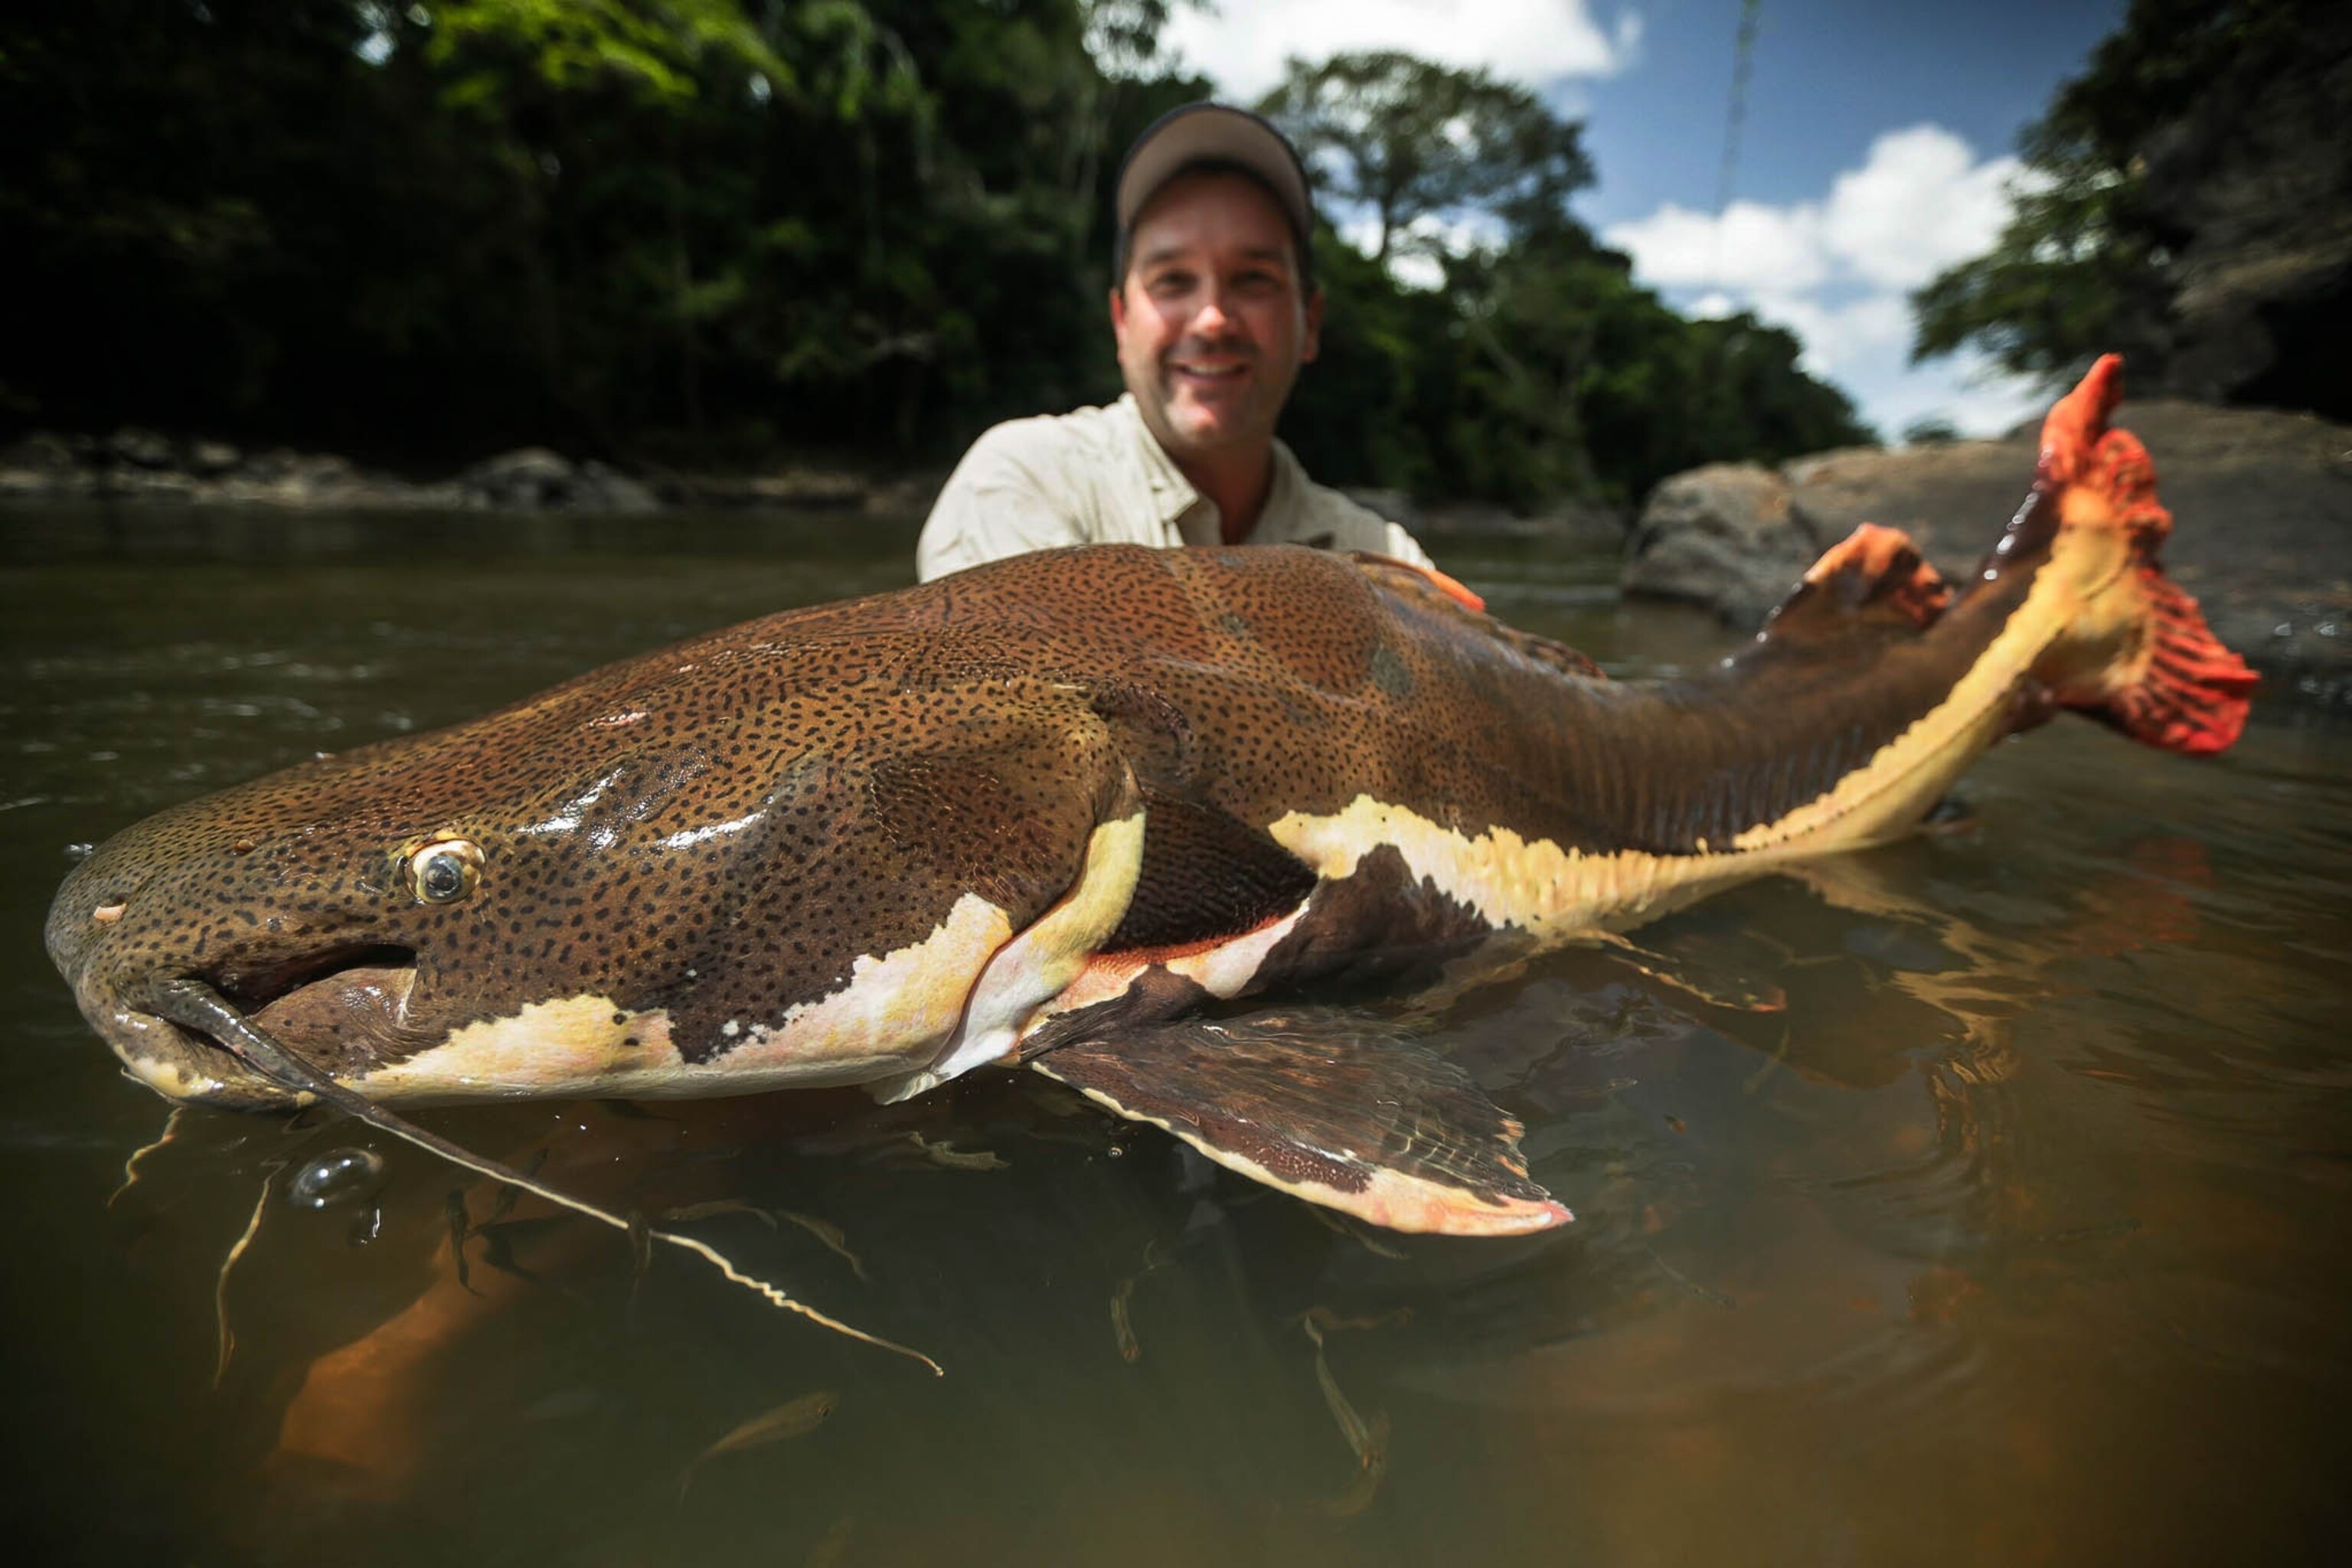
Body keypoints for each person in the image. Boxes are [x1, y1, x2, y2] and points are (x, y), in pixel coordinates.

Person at [915, 102, 1433, 582]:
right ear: (1121, 321)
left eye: (1253, 279)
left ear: (1310, 323)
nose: (1212, 319)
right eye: (1173, 281)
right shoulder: (1025, 479)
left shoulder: (1385, 561)